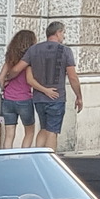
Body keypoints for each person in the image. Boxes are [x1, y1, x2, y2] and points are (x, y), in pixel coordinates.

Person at [23, 21, 82, 150]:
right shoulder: (65, 51)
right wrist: (79, 96)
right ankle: (50, 158)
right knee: (52, 131)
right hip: (56, 97)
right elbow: (72, 76)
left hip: (39, 98)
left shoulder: (34, 49)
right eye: (63, 33)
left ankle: (38, 156)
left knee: (43, 128)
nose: (64, 36)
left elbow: (24, 70)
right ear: (58, 32)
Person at [0, 30, 39, 147]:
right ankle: (23, 155)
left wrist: (4, 88)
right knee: (29, 132)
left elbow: (0, 78)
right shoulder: (30, 61)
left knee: (9, 135)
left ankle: (7, 156)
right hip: (24, 99)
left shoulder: (10, 60)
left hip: (8, 99)